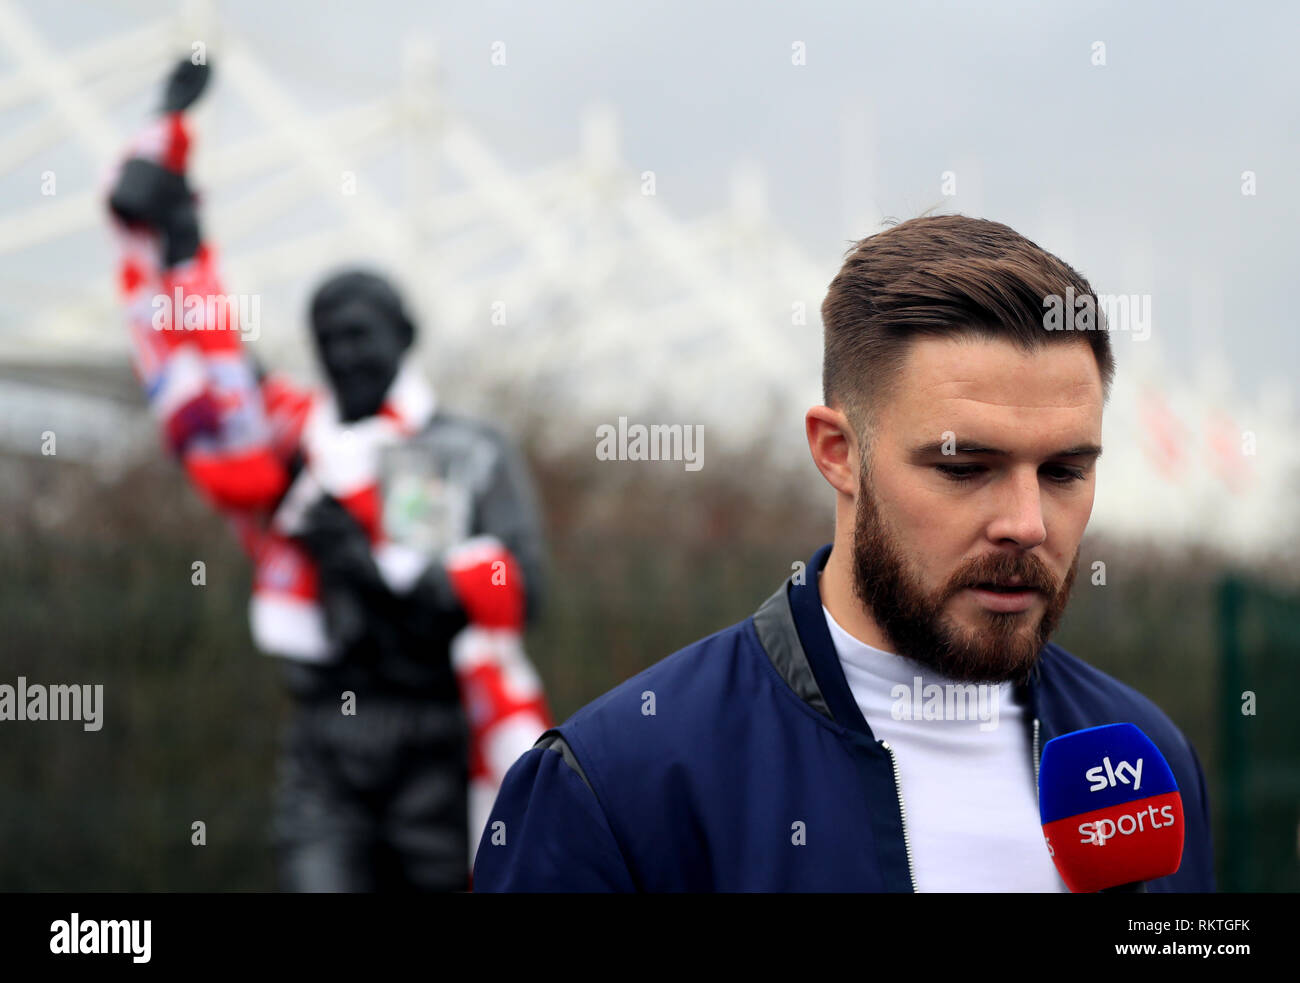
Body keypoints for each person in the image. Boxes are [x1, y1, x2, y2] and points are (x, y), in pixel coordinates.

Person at [473, 214, 1215, 892]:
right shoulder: (617, 784)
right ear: (838, 452)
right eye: (964, 468)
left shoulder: (1147, 755)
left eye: (1064, 471)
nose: (1027, 523)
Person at [106, 57, 552, 891]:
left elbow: (519, 587)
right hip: (324, 737)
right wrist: (178, 231)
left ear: (403, 336)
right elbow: (219, 378)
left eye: (362, 331)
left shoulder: (457, 447)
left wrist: (367, 562)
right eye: (328, 335)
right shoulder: (296, 442)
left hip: (432, 735)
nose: (345, 351)